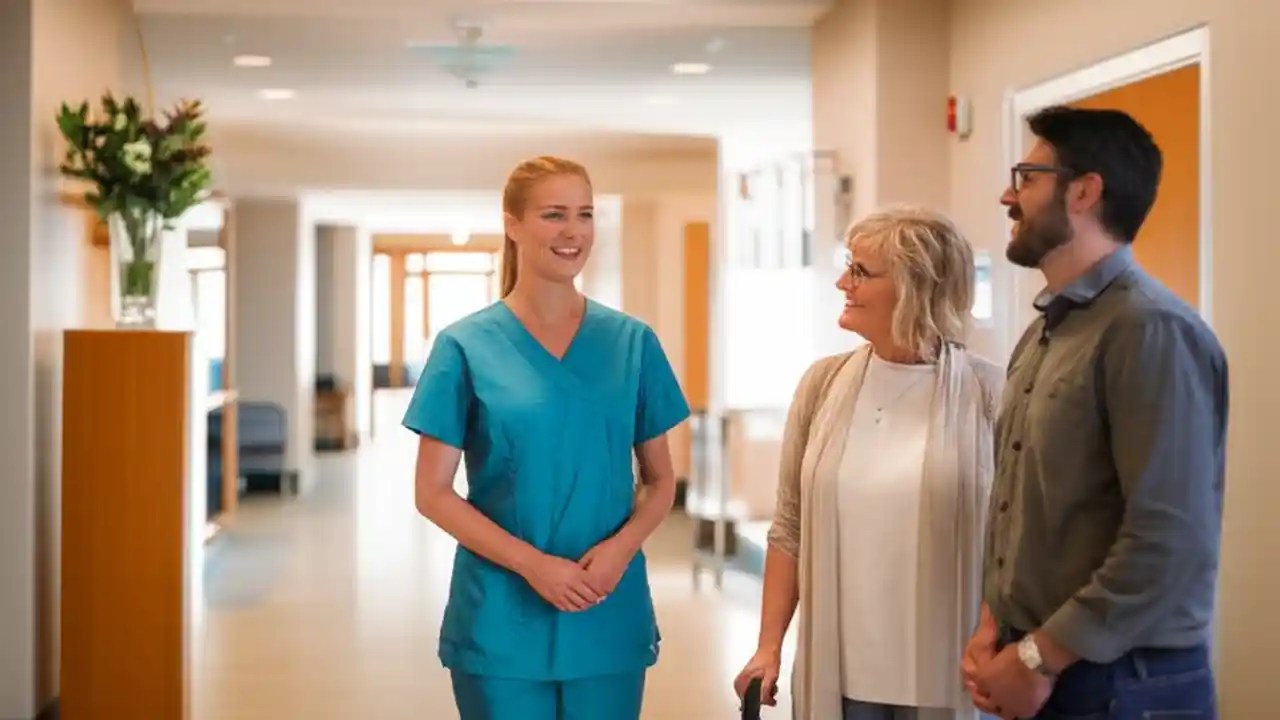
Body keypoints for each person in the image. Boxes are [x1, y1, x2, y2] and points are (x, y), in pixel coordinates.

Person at [963, 106, 1228, 719]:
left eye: (1026, 177)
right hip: (1040, 669)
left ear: (1084, 191)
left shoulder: (1150, 332)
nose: (1008, 195)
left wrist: (1037, 658)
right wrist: (992, 626)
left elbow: (1167, 539)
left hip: (1122, 683)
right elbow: (1018, 506)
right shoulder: (1045, 334)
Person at [402, 156, 690, 720]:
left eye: (584, 215)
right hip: (501, 615)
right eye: (553, 215)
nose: (573, 231)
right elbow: (431, 493)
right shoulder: (465, 346)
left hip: (605, 603)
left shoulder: (632, 343)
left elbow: (660, 480)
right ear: (513, 224)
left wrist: (620, 550)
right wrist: (533, 564)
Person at [735, 205, 1004, 720]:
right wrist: (769, 646)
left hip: (949, 673)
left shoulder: (990, 393)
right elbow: (789, 528)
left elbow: (1013, 543)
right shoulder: (823, 385)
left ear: (916, 287)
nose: (842, 282)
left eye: (859, 271)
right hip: (843, 676)